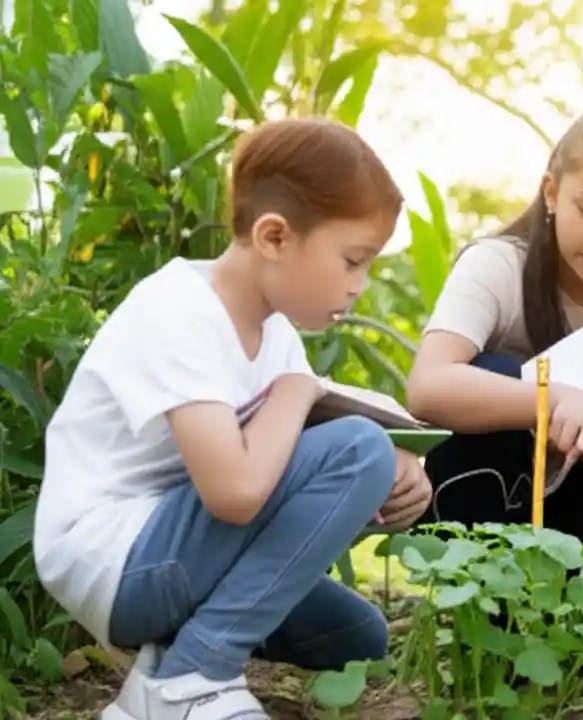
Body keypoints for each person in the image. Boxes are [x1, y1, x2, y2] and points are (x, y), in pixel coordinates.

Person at [33, 118, 434, 720]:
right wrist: (302, 396)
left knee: (356, 637)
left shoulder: (277, 338)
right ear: (274, 237)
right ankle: (189, 678)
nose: (360, 286)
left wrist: (394, 479)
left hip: (175, 549)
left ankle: (164, 664)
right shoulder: (180, 311)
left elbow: (298, 488)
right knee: (359, 448)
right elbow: (236, 495)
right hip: (114, 558)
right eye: (353, 261)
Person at [405, 105, 583, 644]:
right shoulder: (498, 265)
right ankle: (491, 610)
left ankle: (569, 606)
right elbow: (429, 386)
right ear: (552, 193)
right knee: (490, 371)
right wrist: (555, 399)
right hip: (488, 486)